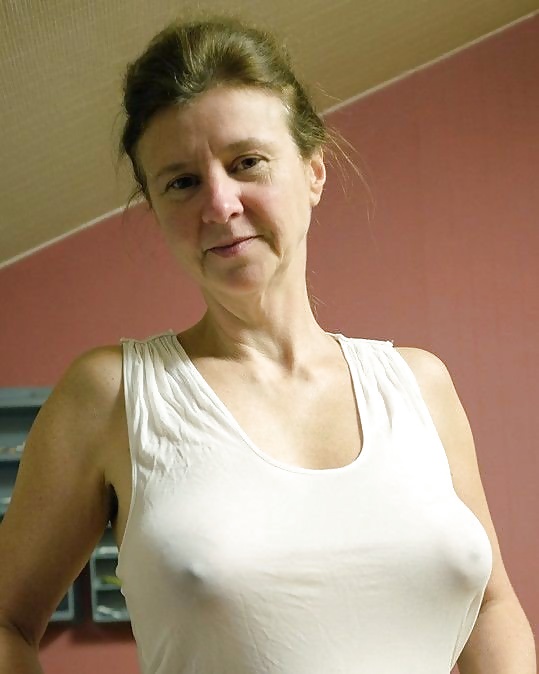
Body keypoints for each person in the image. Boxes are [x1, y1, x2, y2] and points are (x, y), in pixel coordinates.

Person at [0, 15, 535, 674]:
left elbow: (491, 608)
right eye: (181, 182)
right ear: (156, 209)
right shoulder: (112, 393)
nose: (219, 204)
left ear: (313, 171)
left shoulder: (418, 384)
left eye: (246, 163)